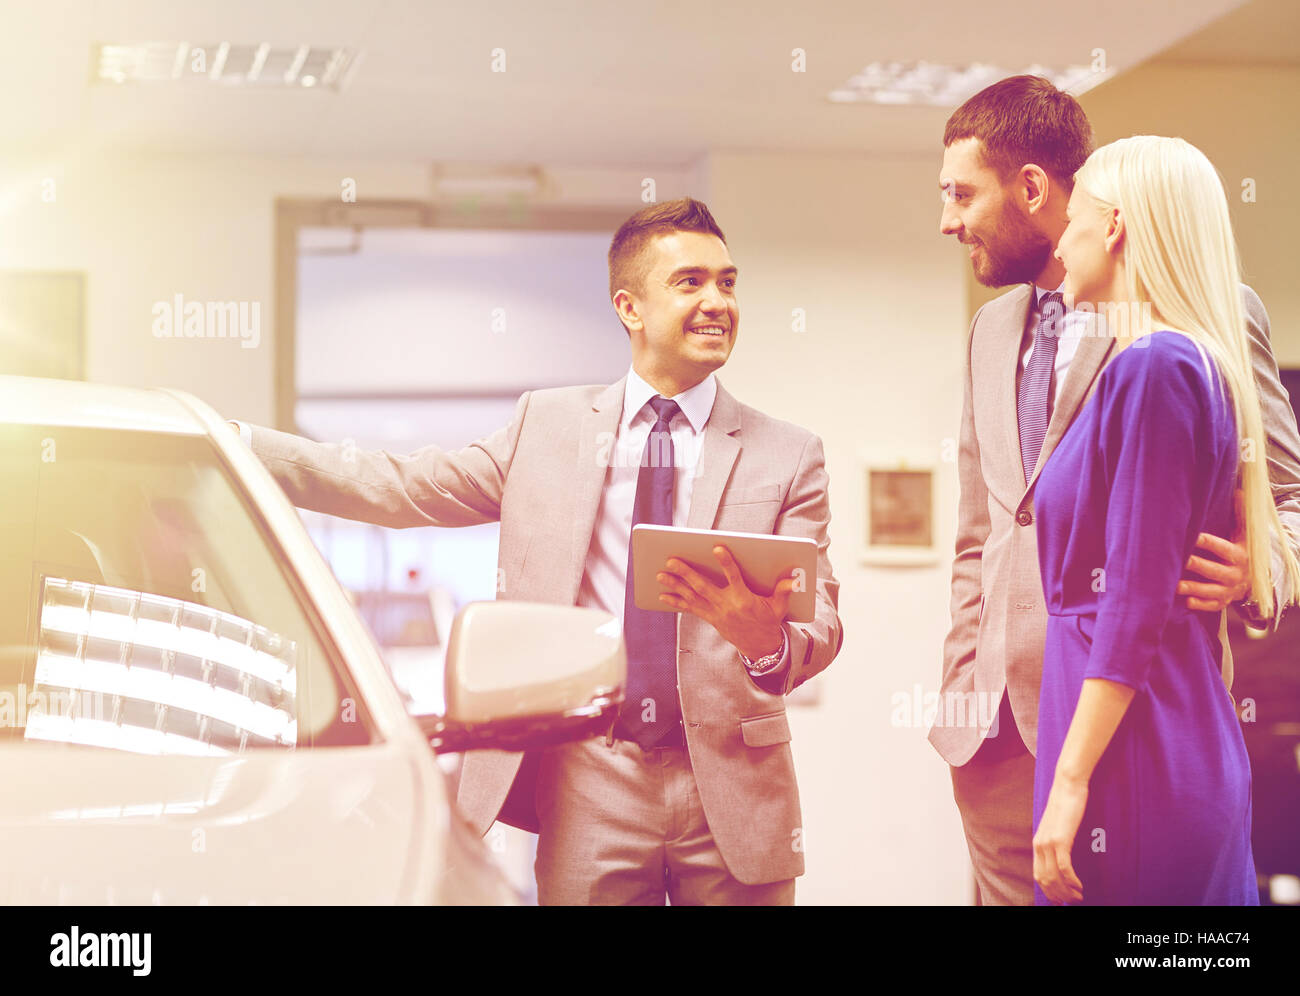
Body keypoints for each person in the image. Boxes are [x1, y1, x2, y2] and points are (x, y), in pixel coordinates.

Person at [232, 197, 843, 905]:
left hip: (735, 785)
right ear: (630, 307)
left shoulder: (788, 454)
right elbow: (398, 489)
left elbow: (820, 624)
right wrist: (235, 443)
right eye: (691, 283)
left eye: (728, 282)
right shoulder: (546, 428)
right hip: (592, 778)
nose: (717, 302)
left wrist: (763, 641)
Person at [931, 75, 1300, 905]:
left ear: (1033, 188)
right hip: (993, 733)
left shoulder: (1192, 321)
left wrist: (1264, 569)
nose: (948, 221)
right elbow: (979, 534)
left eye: (961, 194)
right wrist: (962, 684)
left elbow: (1285, 493)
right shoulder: (989, 331)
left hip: (1131, 713)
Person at [1032, 135, 1300, 904]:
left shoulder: (1159, 367)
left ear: (1113, 225)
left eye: (1074, 212)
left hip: (1137, 737)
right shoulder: (1151, 363)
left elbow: (1134, 598)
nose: (1061, 233)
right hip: (1117, 715)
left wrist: (1072, 781)